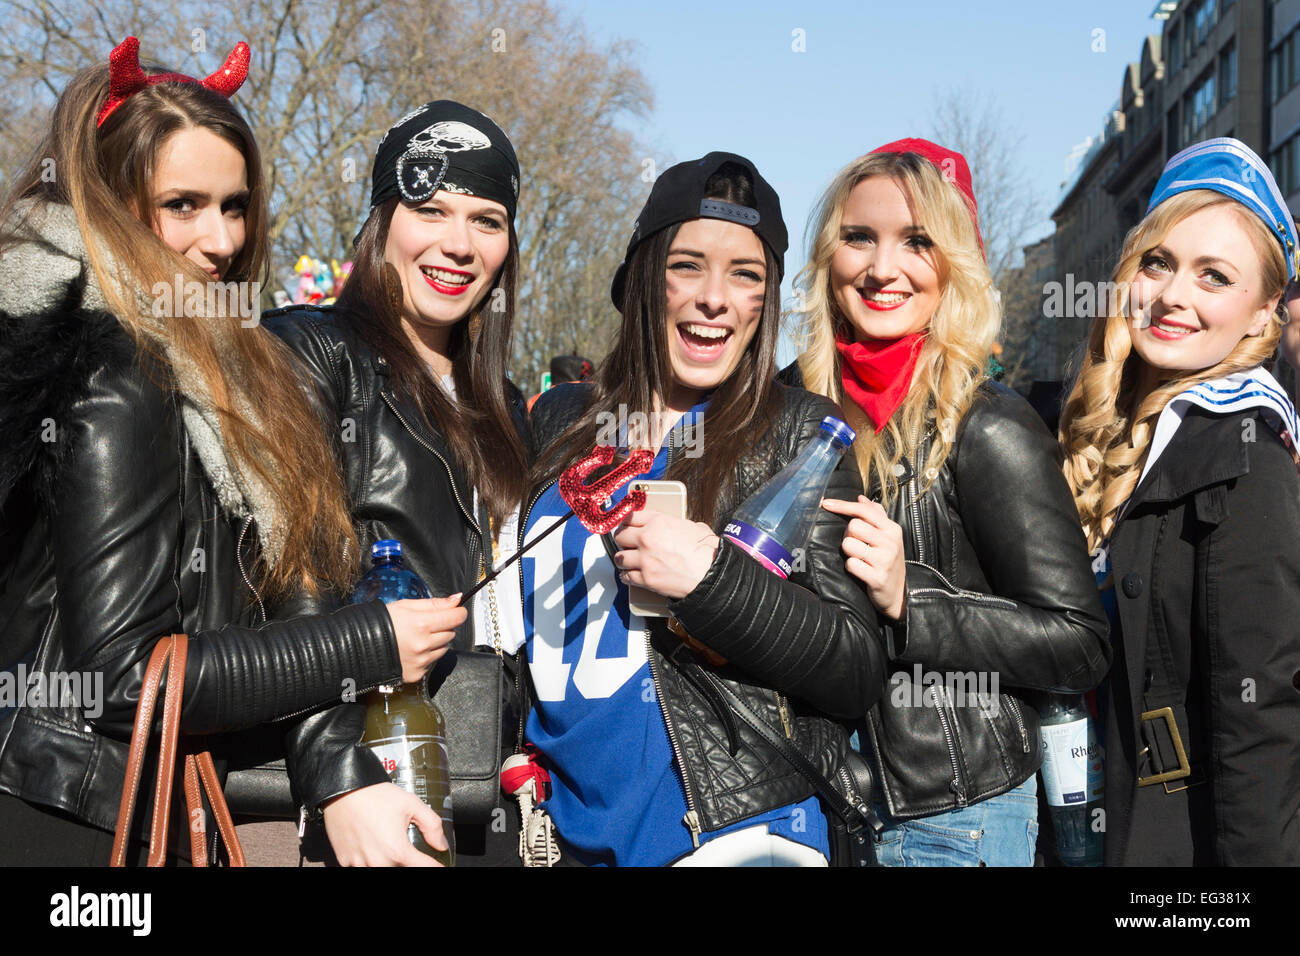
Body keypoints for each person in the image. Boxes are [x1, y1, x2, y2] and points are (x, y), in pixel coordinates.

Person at [0, 37, 463, 866]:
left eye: (235, 205)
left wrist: (341, 768)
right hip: (63, 820)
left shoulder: (218, 360)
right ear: (107, 200)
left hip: (138, 808)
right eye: (183, 204)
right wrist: (369, 644)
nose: (219, 239)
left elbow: (286, 585)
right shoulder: (117, 369)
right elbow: (123, 680)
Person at [522, 152, 886, 866]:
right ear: (644, 280)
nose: (715, 297)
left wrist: (713, 580)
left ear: (765, 302)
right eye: (688, 265)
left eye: (746, 274)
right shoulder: (560, 419)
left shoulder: (799, 433)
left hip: (735, 837)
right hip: (561, 837)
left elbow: (855, 666)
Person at [790, 139, 1110, 866]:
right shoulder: (788, 409)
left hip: (952, 820)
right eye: (859, 238)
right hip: (812, 804)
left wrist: (913, 603)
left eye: (916, 243)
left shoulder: (987, 423)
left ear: (953, 266)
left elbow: (1079, 643)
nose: (881, 268)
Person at [264, 100, 530, 867]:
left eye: (487, 219)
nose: (458, 243)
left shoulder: (505, 407)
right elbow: (291, 578)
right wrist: (337, 779)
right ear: (383, 219)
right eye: (430, 208)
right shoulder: (314, 352)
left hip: (475, 788)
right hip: (357, 795)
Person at [1058, 137, 1300, 865]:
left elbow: (1259, 723)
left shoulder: (1245, 460)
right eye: (1158, 263)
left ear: (1263, 316)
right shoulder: (1104, 429)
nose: (1173, 296)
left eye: (1214, 277)